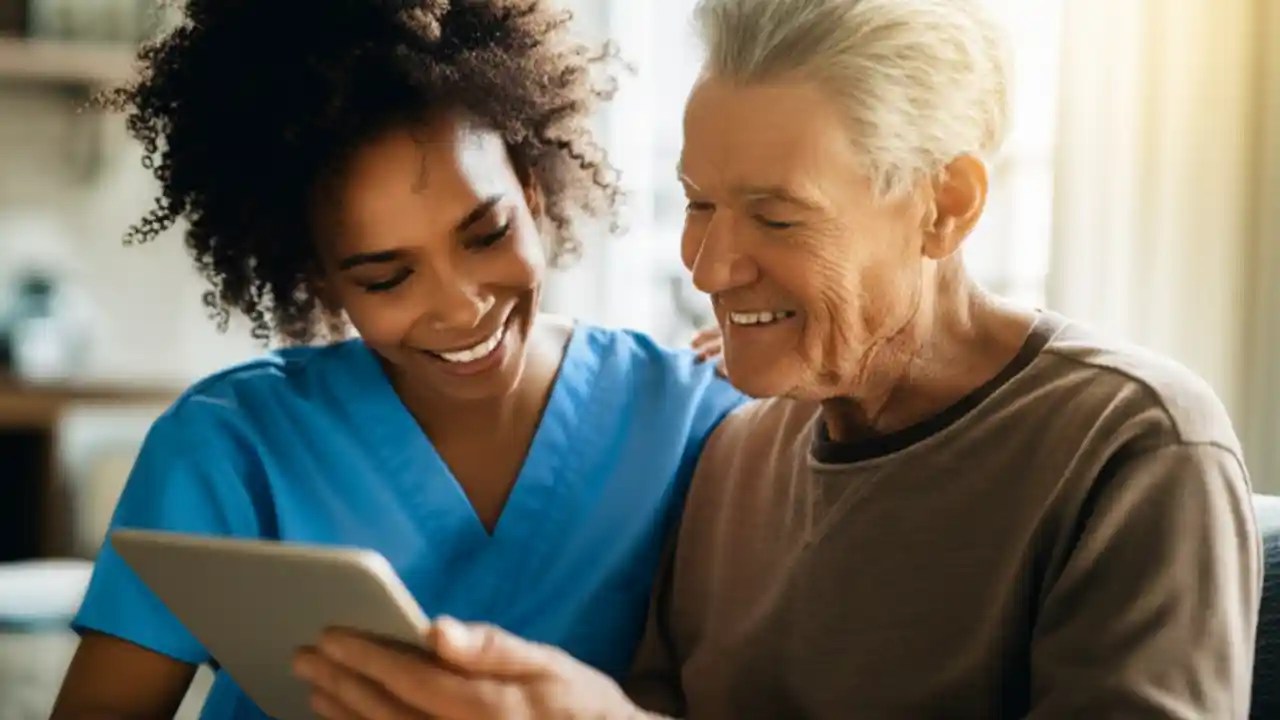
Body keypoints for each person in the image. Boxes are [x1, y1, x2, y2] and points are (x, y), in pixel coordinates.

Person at [289, 0, 1263, 718]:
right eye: (699, 203)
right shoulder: (732, 455)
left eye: (777, 216)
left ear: (945, 206)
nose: (708, 266)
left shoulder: (1131, 448)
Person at [50, 1, 745, 718]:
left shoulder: (695, 422)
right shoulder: (228, 446)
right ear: (320, 278)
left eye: (487, 234)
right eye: (386, 278)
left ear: (532, 192)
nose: (460, 308)